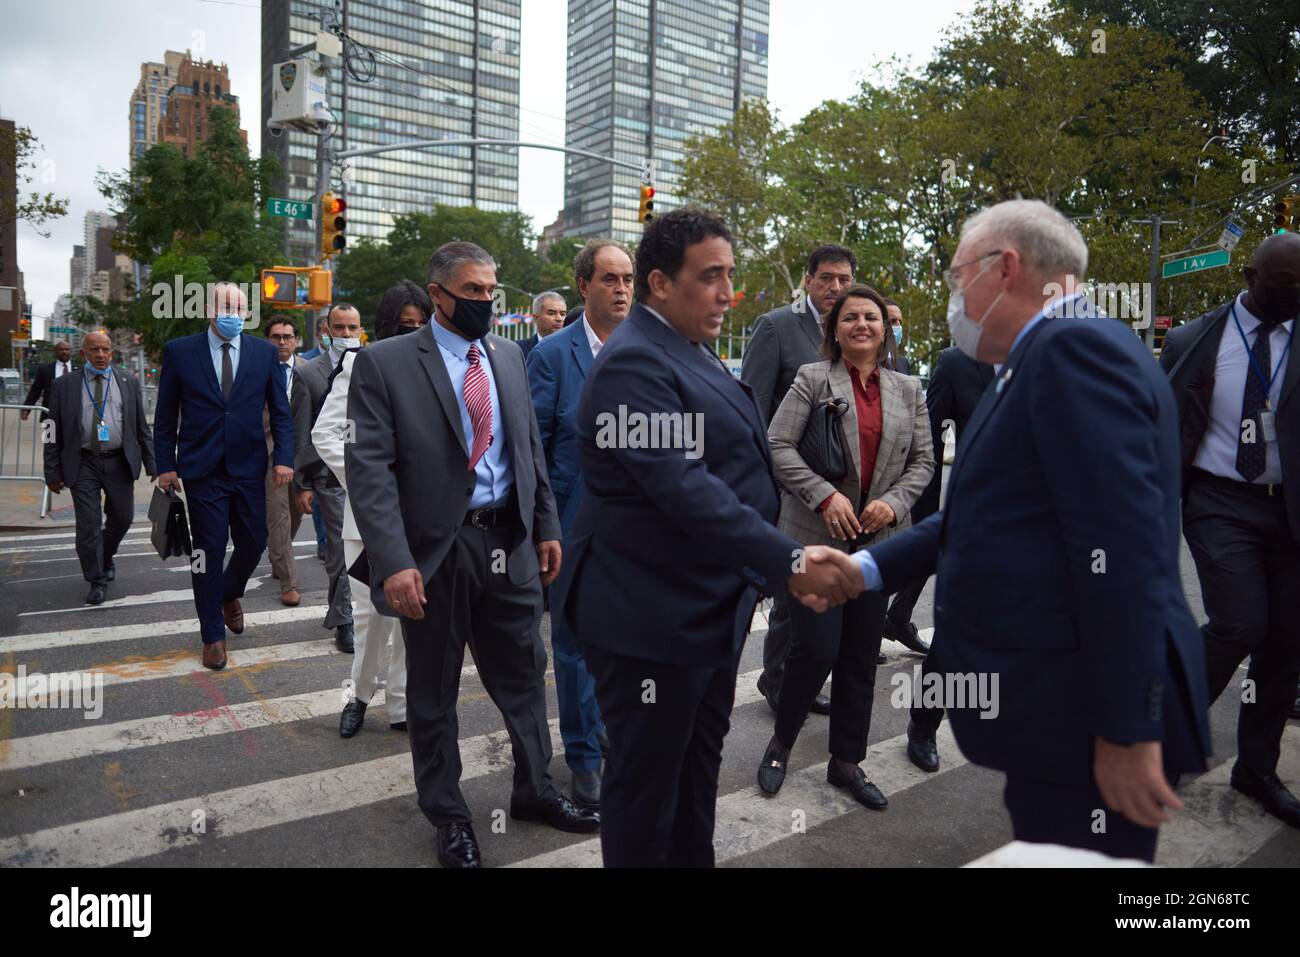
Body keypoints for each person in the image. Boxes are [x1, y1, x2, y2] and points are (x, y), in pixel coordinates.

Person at [834, 199, 1210, 862]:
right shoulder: (1045, 351)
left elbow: (1121, 548)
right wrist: (863, 570)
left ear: (1004, 268)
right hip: (1060, 709)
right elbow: (989, 512)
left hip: (1086, 717)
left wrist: (1126, 729)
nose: (954, 296)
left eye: (957, 277)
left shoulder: (1076, 350)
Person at [556, 207, 860, 867]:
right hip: (649, 621)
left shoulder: (688, 346)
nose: (728, 293)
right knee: (647, 793)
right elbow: (685, 488)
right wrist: (790, 561)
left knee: (694, 780)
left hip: (707, 609)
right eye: (711, 276)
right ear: (660, 283)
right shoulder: (633, 364)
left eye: (730, 275)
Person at [347, 241, 599, 869]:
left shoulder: (509, 356)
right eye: (472, 291)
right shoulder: (385, 363)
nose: (486, 301)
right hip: (437, 552)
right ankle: (449, 815)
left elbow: (529, 449)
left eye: (492, 290)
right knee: (433, 691)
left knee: (524, 675)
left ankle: (535, 790)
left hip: (509, 542)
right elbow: (369, 470)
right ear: (438, 295)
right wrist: (395, 560)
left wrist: (545, 526)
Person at [760, 285, 933, 807]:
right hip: (817, 538)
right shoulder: (813, 378)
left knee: (860, 655)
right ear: (834, 330)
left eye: (871, 317)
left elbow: (924, 461)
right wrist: (823, 495)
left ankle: (846, 763)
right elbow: (777, 444)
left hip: (877, 546)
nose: (862, 324)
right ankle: (781, 743)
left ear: (885, 329)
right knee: (814, 650)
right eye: (850, 317)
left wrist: (894, 504)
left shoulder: (908, 388)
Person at [1160, 232, 1300, 829]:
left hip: (1290, 508)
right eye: (1285, 284)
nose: (1295, 294)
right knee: (1239, 622)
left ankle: (1256, 768)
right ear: (1250, 277)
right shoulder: (1194, 339)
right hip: (1220, 501)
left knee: (1285, 641)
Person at [527, 239, 633, 808]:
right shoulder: (551, 355)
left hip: (638, 528)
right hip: (572, 524)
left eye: (628, 279)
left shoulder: (650, 348)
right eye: (610, 279)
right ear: (584, 286)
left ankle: (608, 727)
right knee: (573, 644)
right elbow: (535, 449)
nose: (622, 289)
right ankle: (584, 756)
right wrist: (544, 525)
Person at [154, 282, 294, 671]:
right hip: (203, 470)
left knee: (254, 542)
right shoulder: (180, 352)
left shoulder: (264, 353)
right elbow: (165, 414)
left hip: (249, 468)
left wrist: (284, 459)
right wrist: (165, 465)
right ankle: (212, 635)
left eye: (239, 307)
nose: (233, 314)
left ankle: (229, 592)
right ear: (209, 310)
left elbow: (280, 412)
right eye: (225, 306)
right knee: (208, 551)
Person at [741, 244, 856, 718]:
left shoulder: (856, 328)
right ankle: (777, 680)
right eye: (826, 277)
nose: (835, 287)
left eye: (843, 279)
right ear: (808, 280)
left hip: (844, 490)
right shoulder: (777, 327)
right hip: (788, 485)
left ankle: (801, 676)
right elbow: (751, 408)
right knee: (792, 590)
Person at [317, 280, 430, 739]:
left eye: (421, 324)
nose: (413, 332)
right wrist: (371, 480)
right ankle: (359, 696)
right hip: (368, 520)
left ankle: (400, 703)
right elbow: (326, 434)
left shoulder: (438, 368)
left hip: (422, 517)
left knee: (411, 617)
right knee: (369, 619)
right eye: (405, 324)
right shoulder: (361, 365)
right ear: (386, 325)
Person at [882, 344, 994, 771]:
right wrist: (922, 525)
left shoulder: (1060, 357)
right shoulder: (958, 363)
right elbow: (926, 447)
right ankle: (924, 723)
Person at [42, 331, 155, 604]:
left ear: (112, 353)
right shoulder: (64, 385)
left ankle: (104, 555)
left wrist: (152, 462)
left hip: (119, 461)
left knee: (123, 518)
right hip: (83, 462)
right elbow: (51, 430)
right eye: (94, 350)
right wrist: (51, 471)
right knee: (89, 525)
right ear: (84, 354)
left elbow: (140, 425)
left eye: (105, 349)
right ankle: (97, 579)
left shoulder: (127, 381)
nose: (101, 355)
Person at [294, 303, 360, 654]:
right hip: (328, 475)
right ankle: (343, 619)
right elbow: (302, 430)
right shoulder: (308, 372)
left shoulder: (372, 364)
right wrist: (303, 483)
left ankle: (360, 609)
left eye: (352, 328)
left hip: (369, 470)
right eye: (339, 328)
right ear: (326, 330)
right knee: (339, 546)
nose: (346, 334)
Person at [264, 316, 308, 607]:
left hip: (302, 454)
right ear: (267, 340)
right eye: (276, 336)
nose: (282, 342)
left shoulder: (309, 369)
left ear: (296, 340)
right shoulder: (257, 369)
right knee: (278, 516)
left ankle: (278, 554)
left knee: (296, 513)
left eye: (287, 336)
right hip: (270, 452)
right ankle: (289, 583)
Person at [299, 316, 331, 560]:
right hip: (318, 449)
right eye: (329, 330)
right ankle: (323, 543)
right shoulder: (307, 364)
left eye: (352, 327)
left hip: (350, 447)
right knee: (320, 502)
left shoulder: (363, 359)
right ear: (320, 333)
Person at [21, 340, 75, 420]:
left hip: (73, 414)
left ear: (71, 352)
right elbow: (35, 391)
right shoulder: (45, 370)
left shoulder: (80, 370)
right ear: (55, 352)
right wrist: (26, 409)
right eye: (61, 349)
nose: (64, 352)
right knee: (49, 429)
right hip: (50, 414)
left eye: (66, 349)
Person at [519, 291, 567, 359]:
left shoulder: (573, 348)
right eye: (551, 313)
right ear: (536, 318)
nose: (559, 318)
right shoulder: (519, 349)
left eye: (562, 314)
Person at [882, 298, 912, 375]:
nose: (898, 326)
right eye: (892, 321)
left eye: (900, 322)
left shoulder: (903, 363)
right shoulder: (865, 360)